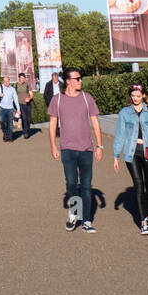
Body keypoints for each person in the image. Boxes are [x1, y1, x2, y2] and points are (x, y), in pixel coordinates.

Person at [48, 67, 103, 231]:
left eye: (80, 78)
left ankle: (87, 221)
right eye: (77, 78)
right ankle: (74, 214)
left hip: (86, 149)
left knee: (86, 186)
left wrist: (100, 146)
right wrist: (53, 146)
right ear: (69, 81)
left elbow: (95, 122)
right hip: (67, 149)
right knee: (72, 184)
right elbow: (52, 125)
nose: (80, 81)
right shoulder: (57, 100)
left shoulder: (87, 98)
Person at [113, 84, 148, 234]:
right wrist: (116, 155)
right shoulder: (125, 113)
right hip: (132, 153)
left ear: (143, 95)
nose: (135, 99)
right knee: (139, 185)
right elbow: (120, 134)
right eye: (133, 96)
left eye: (138, 96)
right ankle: (143, 221)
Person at [0, 75, 20, 143]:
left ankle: (10, 137)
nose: (6, 83)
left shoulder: (12, 89)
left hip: (10, 109)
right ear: (3, 81)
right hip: (2, 108)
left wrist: (18, 109)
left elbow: (16, 99)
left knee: (10, 124)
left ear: (9, 81)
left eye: (7, 81)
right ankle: (5, 134)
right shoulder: (0, 87)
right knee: (2, 122)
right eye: (4, 81)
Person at [16, 72, 34, 138]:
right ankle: (25, 132)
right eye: (21, 78)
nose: (22, 79)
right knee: (24, 118)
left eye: (23, 78)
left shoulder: (27, 85)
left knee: (28, 119)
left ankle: (27, 129)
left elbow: (31, 94)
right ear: (19, 78)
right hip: (20, 104)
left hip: (28, 104)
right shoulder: (16, 85)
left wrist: (29, 98)